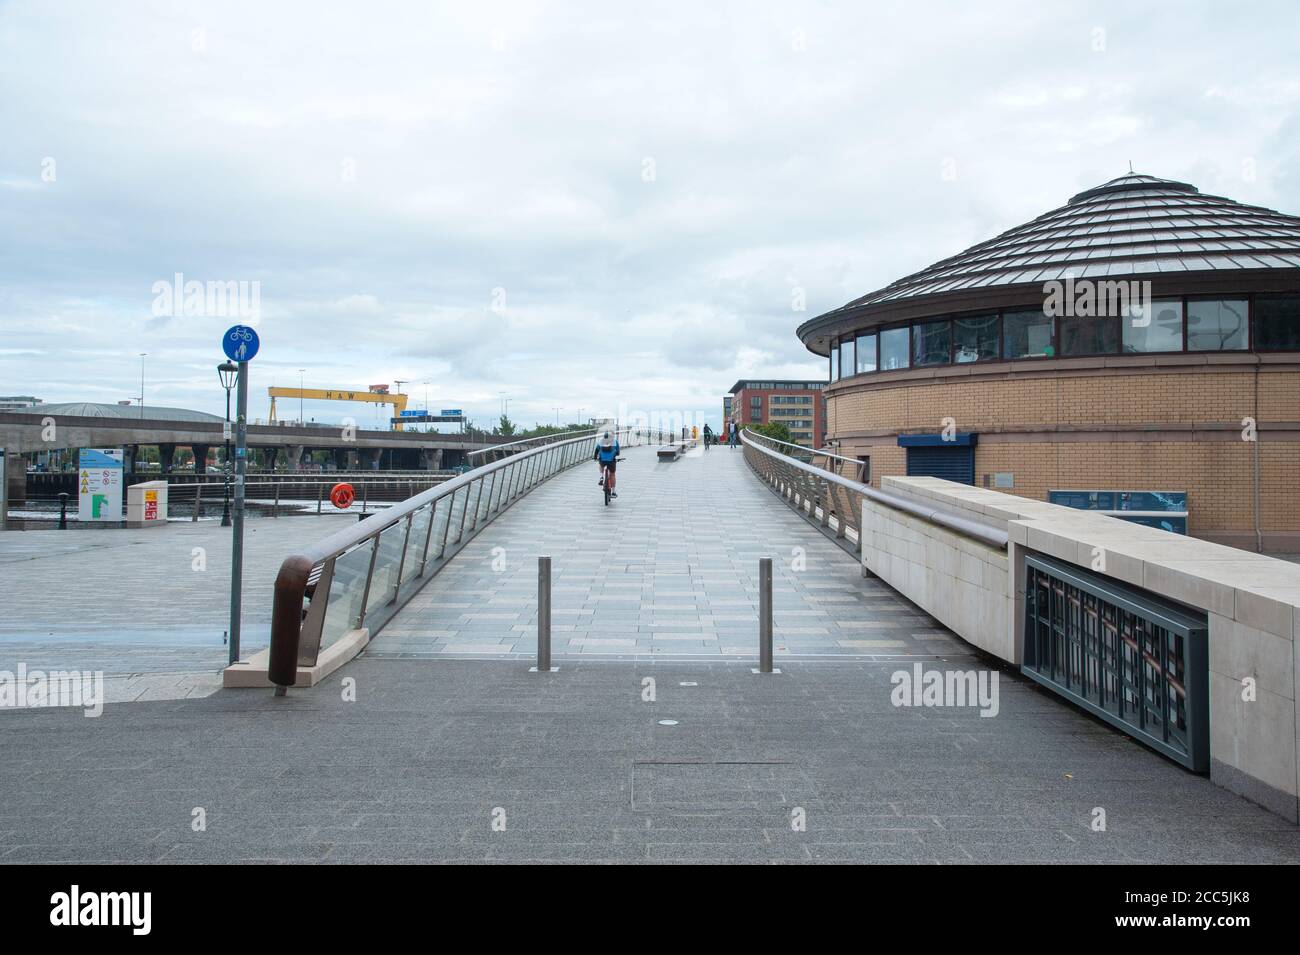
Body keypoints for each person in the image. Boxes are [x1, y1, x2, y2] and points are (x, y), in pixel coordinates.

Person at [594, 430, 619, 497]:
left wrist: (595, 458)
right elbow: (618, 453)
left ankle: (602, 477)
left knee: (600, 463)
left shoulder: (601, 441)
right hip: (611, 461)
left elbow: (596, 450)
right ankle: (613, 492)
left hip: (603, 461)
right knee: (612, 474)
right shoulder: (615, 441)